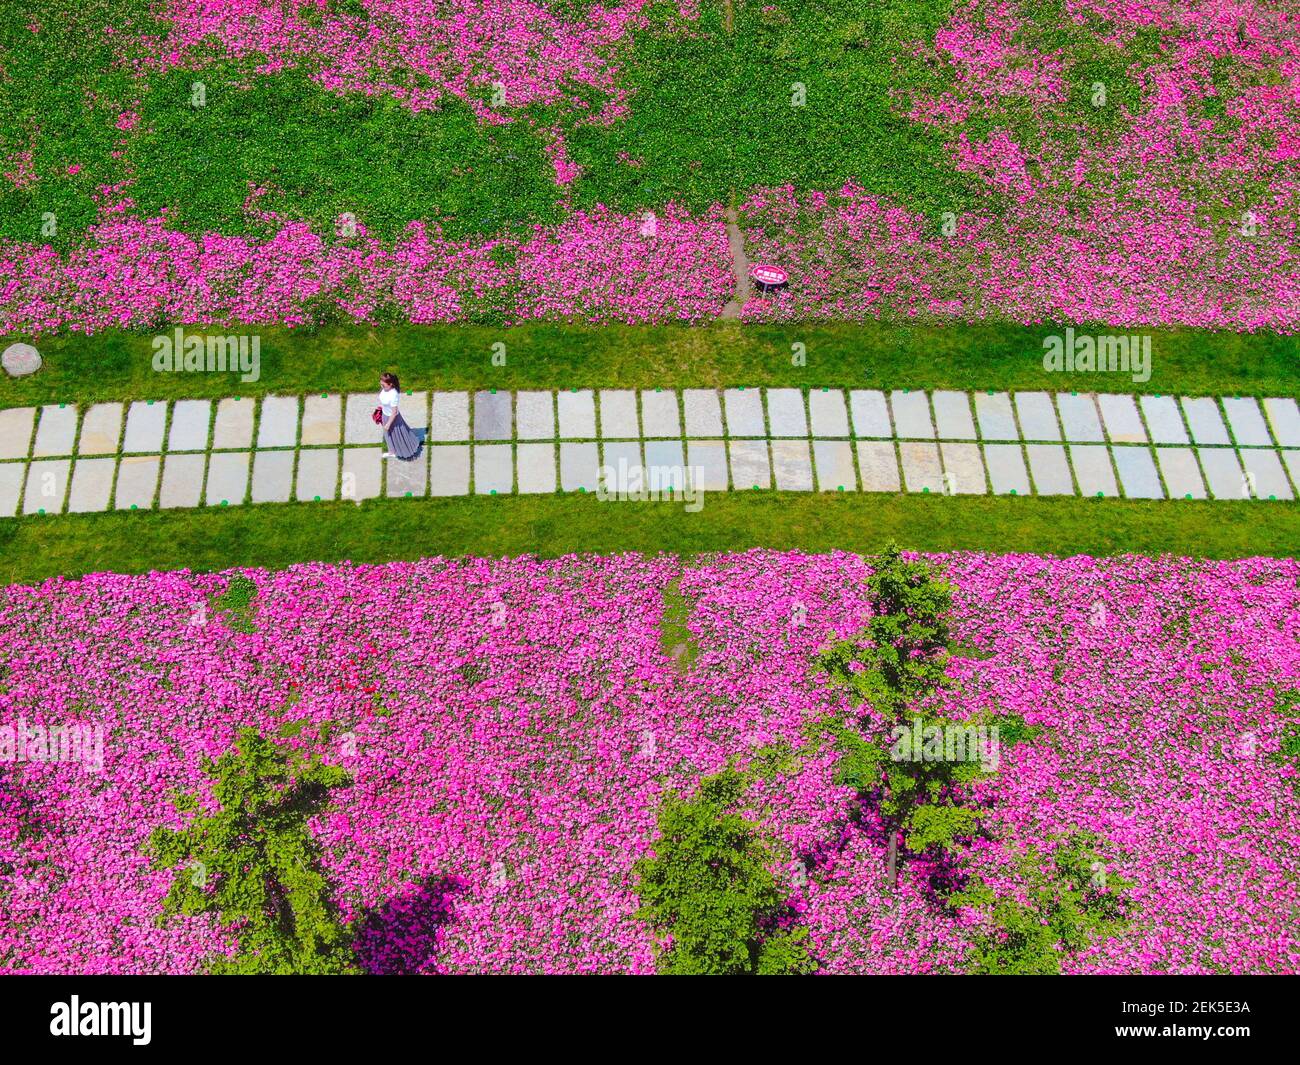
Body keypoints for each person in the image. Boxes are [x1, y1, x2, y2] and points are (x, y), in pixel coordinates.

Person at [378, 372, 423, 461]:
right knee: (390, 435)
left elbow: (394, 412)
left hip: (392, 419)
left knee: (397, 436)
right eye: (381, 383)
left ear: (390, 384)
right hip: (385, 415)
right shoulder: (386, 389)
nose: (381, 385)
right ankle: (392, 451)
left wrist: (388, 424)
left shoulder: (393, 395)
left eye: (383, 384)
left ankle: (401, 451)